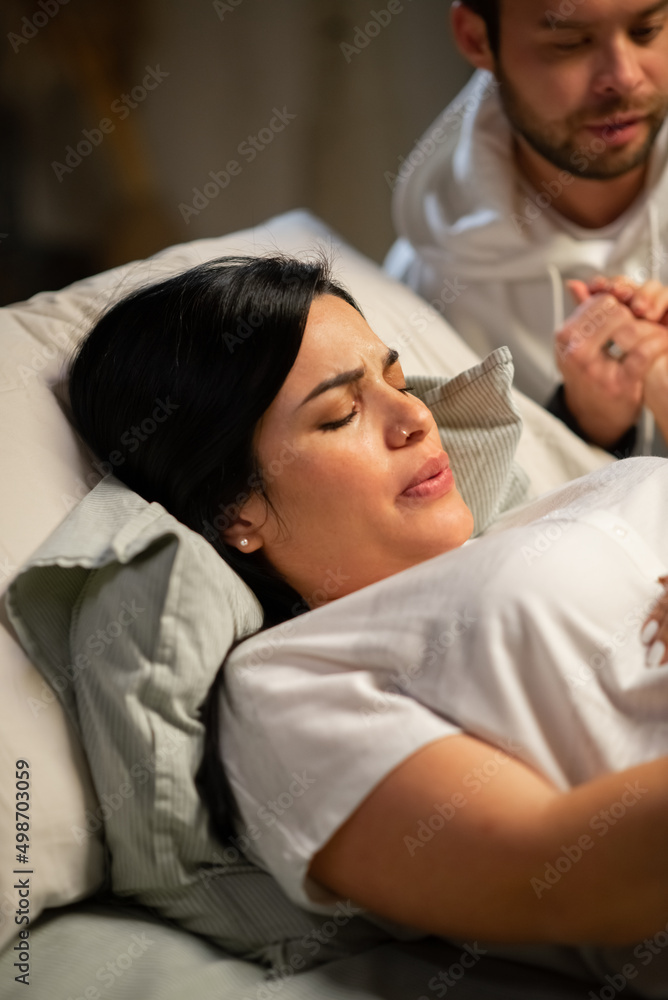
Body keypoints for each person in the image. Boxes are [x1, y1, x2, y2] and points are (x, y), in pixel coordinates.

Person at [68, 254, 668, 997]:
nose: (417, 418)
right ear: (235, 509)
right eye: (341, 414)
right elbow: (563, 876)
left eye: (397, 380)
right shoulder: (290, 682)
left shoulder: (556, 505)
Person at [384, 0, 668, 457]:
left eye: (646, 30)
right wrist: (586, 425)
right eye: (570, 43)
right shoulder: (426, 290)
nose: (624, 76)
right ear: (476, 38)